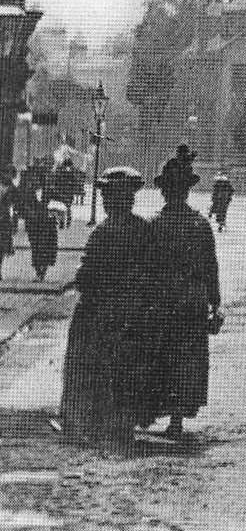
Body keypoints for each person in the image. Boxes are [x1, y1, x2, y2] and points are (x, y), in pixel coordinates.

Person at [59, 168, 159, 447]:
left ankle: (87, 419)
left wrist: (80, 280)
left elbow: (87, 275)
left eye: (107, 195)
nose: (104, 200)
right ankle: (123, 419)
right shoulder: (144, 230)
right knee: (129, 366)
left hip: (101, 310)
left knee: (90, 361)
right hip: (135, 312)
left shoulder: (103, 232)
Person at [149, 145, 222, 440]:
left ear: (165, 192)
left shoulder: (155, 225)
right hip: (192, 300)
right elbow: (211, 269)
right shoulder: (199, 224)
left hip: (165, 301)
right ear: (186, 192)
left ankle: (165, 413)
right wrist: (216, 305)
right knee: (186, 358)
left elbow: (146, 270)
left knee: (163, 355)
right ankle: (177, 417)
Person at [20, 181, 59, 281]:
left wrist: (54, 212)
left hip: (47, 224)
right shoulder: (29, 193)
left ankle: (42, 273)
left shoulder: (50, 191)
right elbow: (23, 206)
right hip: (33, 225)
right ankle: (38, 272)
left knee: (46, 247)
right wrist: (29, 214)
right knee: (35, 248)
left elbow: (58, 204)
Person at [0, 166, 19, 280]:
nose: (7, 176)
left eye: (10, 174)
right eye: (6, 173)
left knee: (2, 247)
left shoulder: (13, 189)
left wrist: (15, 223)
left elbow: (16, 207)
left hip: (5, 221)